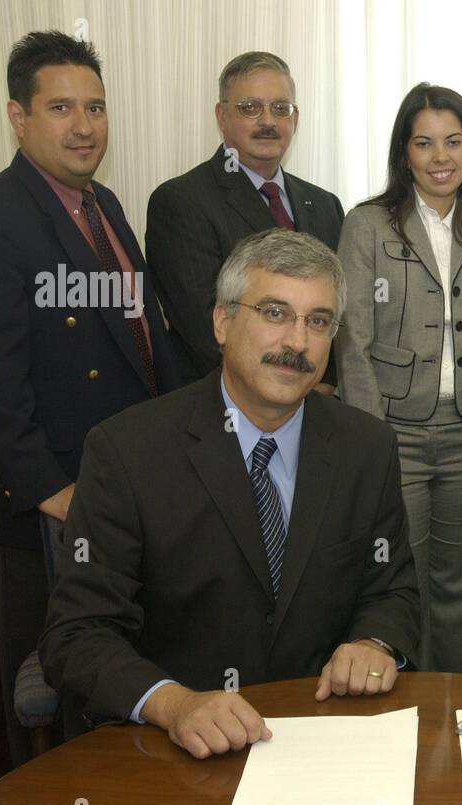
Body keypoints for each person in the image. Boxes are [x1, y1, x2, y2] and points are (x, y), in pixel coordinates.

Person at [39, 230, 419, 759]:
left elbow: (392, 591)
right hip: (176, 748)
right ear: (222, 322)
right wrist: (174, 704)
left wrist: (373, 643)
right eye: (274, 312)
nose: (297, 342)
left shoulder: (367, 446)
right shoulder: (127, 451)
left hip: (323, 736)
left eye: (318, 321)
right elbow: (77, 635)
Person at [0, 30, 179, 766]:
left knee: (121, 685)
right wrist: (56, 492)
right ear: (18, 117)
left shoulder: (103, 204)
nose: (84, 126)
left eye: (97, 107)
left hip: (125, 493)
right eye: (62, 108)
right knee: (52, 699)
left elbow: (145, 341)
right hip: (50, 507)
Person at [335, 83, 462, 673]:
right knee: (401, 581)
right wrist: (372, 442)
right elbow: (352, 342)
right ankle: (405, 712)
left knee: (461, 586)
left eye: (453, 141)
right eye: (424, 143)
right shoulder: (367, 225)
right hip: (396, 435)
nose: (440, 156)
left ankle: (449, 706)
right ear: (404, 154)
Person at [146, 51, 344, 389]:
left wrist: (325, 385)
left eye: (281, 109)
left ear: (295, 120)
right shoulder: (181, 202)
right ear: (221, 116)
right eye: (250, 108)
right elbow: (207, 329)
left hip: (315, 407)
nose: (268, 121)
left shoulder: (325, 205)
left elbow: (337, 315)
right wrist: (295, 388)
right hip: (222, 409)